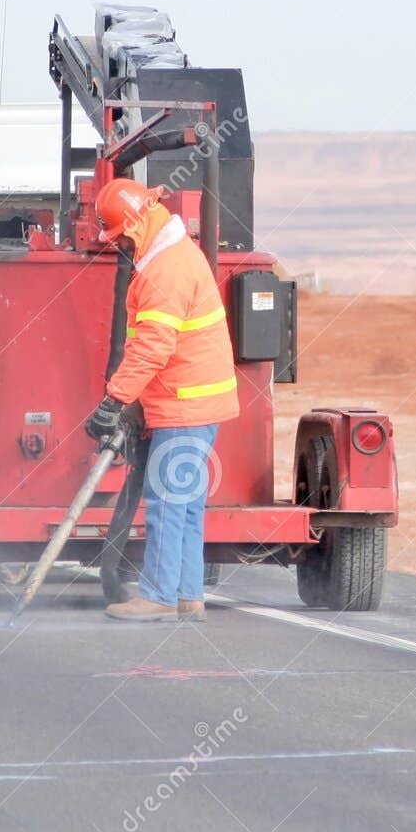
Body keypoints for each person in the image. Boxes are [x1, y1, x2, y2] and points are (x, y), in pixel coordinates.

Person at [86, 178, 239, 621]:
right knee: (185, 504)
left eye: (120, 237)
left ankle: (158, 596)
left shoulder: (165, 270)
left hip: (184, 403)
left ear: (135, 225)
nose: (121, 245)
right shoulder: (171, 254)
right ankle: (188, 595)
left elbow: (153, 347)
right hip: (193, 401)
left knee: (168, 501)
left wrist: (114, 400)